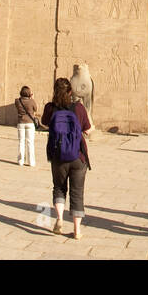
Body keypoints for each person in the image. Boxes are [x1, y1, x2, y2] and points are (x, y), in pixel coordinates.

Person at [41, 77, 92, 240]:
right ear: (70, 91)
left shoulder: (50, 108)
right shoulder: (78, 107)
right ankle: (77, 230)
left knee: (59, 187)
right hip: (78, 155)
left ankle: (60, 219)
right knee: (77, 193)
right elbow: (88, 129)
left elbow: (45, 123)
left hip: (58, 155)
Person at [15, 85, 39, 167]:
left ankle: (20, 160)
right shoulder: (31, 101)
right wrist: (32, 98)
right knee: (30, 142)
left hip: (21, 122)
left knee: (21, 142)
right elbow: (35, 109)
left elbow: (17, 107)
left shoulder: (17, 101)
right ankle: (31, 162)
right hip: (30, 123)